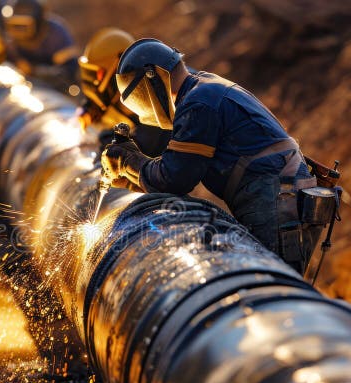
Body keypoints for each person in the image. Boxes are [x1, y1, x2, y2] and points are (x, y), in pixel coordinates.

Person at [101, 38, 324, 273]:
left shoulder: (198, 104)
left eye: (138, 100)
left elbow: (174, 178)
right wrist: (136, 178)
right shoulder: (203, 86)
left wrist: (127, 161)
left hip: (277, 197)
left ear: (151, 78)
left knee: (271, 283)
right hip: (279, 192)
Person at [77, 28, 170, 158]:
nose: (93, 83)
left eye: (97, 75)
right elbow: (102, 101)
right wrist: (90, 109)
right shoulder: (119, 94)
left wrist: (115, 146)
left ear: (120, 66)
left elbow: (149, 146)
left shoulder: (152, 95)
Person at [2, 0, 78, 91]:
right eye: (16, 26)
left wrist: (34, 70)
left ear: (39, 23)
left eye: (24, 27)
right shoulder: (10, 38)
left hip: (55, 91)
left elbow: (68, 72)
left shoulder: (57, 35)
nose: (20, 32)